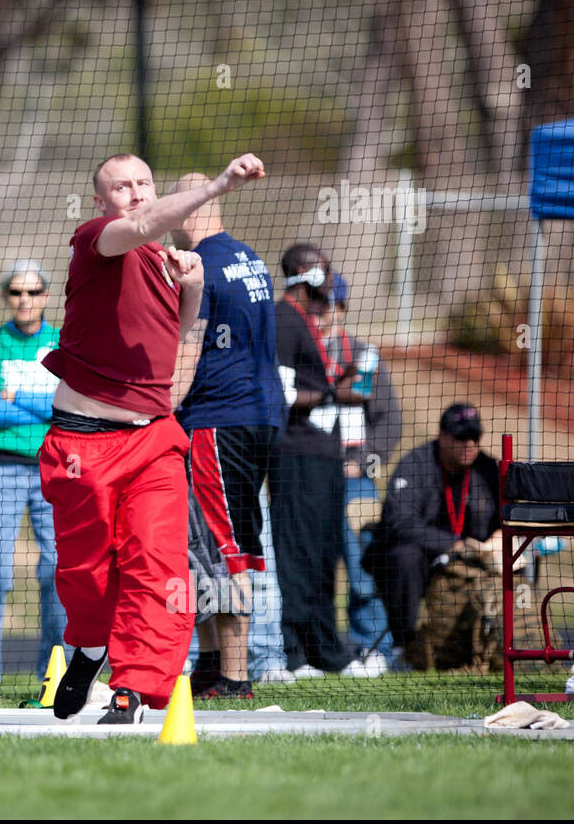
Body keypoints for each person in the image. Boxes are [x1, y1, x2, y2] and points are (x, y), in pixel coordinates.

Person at [40, 150, 266, 724]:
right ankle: (90, 649)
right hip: (81, 445)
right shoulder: (99, 238)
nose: (136, 193)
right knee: (85, 574)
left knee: (158, 563)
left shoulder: (166, 257)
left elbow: (173, 331)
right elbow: (141, 224)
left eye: (144, 183)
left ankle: (134, 688)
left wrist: (191, 285)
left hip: (154, 442)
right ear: (102, 201)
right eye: (122, 187)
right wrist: (217, 186)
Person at [171, 174, 283, 699]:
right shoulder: (250, 258)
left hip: (218, 420)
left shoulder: (202, 267)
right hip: (257, 416)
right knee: (200, 544)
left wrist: (157, 408)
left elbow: (190, 350)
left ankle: (235, 677)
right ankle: (213, 664)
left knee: (224, 548)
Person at [0, 260, 66, 686]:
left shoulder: (63, 343)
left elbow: (66, 406)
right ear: (6, 296)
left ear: (45, 296)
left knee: (58, 568)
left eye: (34, 292)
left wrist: (17, 394)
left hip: (52, 469)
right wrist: (42, 405)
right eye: (17, 292)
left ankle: (54, 672)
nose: (25, 300)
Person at [270, 246, 371, 678]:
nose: (331, 278)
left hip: (324, 457)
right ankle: (295, 653)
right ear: (301, 273)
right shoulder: (282, 320)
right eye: (324, 270)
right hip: (296, 457)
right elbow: (283, 394)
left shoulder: (308, 323)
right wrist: (335, 394)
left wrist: (338, 382)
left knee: (323, 555)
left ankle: (324, 648)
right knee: (297, 553)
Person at [363, 403, 503, 670]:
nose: (469, 445)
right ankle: (404, 646)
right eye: (461, 438)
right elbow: (399, 523)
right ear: (442, 436)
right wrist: (452, 544)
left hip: (473, 561)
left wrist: (493, 541)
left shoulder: (487, 470)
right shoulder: (415, 464)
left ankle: (494, 648)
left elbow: (503, 520)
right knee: (404, 555)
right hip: (420, 559)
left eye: (474, 438)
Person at [322, 274, 401, 671]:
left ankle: (371, 649)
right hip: (309, 479)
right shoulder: (297, 351)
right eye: (318, 304)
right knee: (312, 568)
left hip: (356, 481)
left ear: (342, 308)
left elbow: (389, 420)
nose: (324, 313)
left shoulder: (364, 355)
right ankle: (312, 650)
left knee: (362, 569)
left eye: (332, 305)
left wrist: (366, 460)